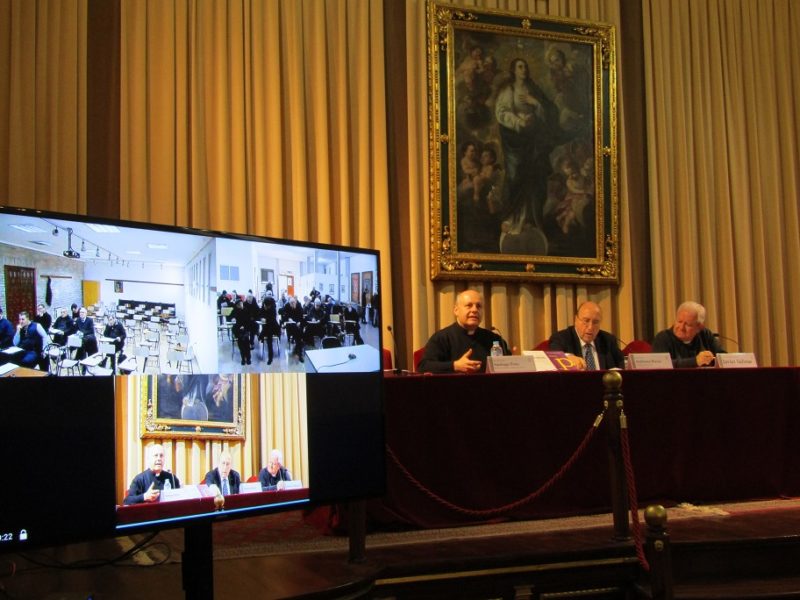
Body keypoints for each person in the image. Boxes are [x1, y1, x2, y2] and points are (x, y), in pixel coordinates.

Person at [418, 289, 508, 374]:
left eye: (479, 306)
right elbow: (423, 366)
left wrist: (515, 361)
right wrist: (454, 366)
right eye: (469, 305)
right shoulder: (442, 337)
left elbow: (508, 366)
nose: (474, 310)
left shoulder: (493, 339)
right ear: (456, 310)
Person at [548, 301, 624, 370]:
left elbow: (621, 365)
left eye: (595, 322)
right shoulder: (561, 338)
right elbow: (555, 356)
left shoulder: (608, 340)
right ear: (576, 320)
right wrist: (568, 357)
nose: (590, 327)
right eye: (586, 321)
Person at [652, 301, 725, 367]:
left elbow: (722, 357)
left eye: (688, 324)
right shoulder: (663, 338)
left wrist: (713, 359)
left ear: (699, 327)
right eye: (679, 321)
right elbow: (662, 365)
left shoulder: (705, 335)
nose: (681, 327)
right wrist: (695, 361)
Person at [258, 291, 281, 365]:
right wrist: (261, 318)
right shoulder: (262, 307)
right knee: (268, 333)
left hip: (274, 327)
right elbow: (259, 315)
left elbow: (273, 319)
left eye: (267, 306)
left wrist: (266, 319)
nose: (266, 307)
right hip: (267, 327)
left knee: (268, 334)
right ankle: (270, 356)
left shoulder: (273, 308)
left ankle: (270, 357)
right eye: (265, 305)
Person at [230, 298, 254, 366]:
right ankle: (243, 358)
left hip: (245, 329)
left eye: (241, 303)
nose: (240, 305)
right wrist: (233, 319)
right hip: (238, 329)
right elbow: (230, 317)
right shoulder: (235, 311)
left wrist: (244, 326)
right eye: (239, 304)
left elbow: (249, 320)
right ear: (237, 306)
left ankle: (248, 358)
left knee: (246, 344)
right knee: (241, 345)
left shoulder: (246, 310)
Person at [281, 296, 306, 362]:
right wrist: (288, 318)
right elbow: (283, 315)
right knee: (299, 334)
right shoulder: (287, 306)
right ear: (289, 303)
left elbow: (301, 316)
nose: (292, 304)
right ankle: (299, 352)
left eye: (293, 303)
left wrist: (299, 322)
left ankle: (298, 351)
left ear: (295, 302)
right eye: (291, 303)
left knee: (298, 333)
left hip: (297, 325)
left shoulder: (298, 306)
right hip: (290, 326)